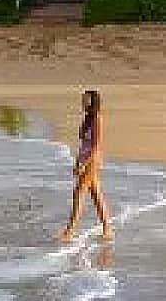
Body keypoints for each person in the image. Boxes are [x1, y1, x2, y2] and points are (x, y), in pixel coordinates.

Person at [59, 90, 112, 242]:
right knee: (96, 195)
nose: (83, 103)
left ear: (93, 102)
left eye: (86, 101)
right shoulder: (88, 118)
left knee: (79, 192)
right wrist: (78, 160)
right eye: (83, 100)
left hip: (92, 160)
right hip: (84, 158)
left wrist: (84, 163)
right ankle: (107, 227)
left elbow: (95, 146)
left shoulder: (97, 119)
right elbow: (83, 143)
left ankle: (70, 231)